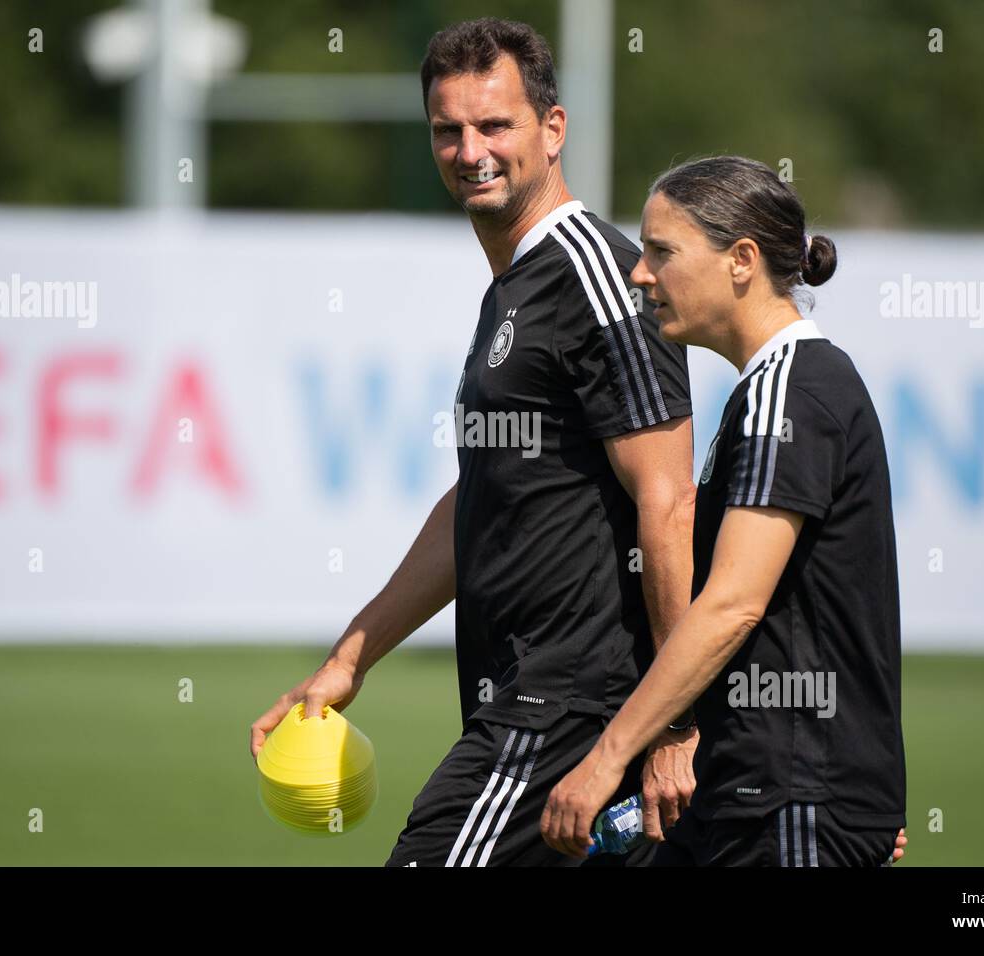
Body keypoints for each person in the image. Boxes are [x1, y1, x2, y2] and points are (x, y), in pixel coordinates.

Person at [250, 17, 700, 866]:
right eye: (447, 130)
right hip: (537, 701)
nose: (470, 150)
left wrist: (676, 723)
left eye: (495, 125)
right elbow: (483, 498)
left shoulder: (596, 276)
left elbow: (669, 501)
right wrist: (352, 657)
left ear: (553, 129)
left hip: (566, 705)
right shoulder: (514, 287)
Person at [541, 156, 909, 866]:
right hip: (772, 797)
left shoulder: (791, 391)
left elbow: (733, 604)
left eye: (661, 252)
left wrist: (606, 758)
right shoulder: (774, 389)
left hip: (793, 801)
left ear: (741, 261)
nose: (639, 274)